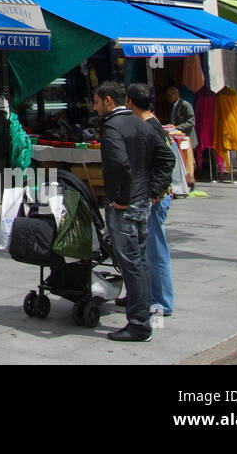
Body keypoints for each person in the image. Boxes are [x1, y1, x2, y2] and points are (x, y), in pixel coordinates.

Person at [93, 81, 173, 343]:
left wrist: (123, 198)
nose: (94, 107)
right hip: (142, 203)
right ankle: (144, 312)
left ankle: (139, 325)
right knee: (138, 260)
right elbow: (167, 158)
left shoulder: (113, 127)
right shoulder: (143, 124)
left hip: (126, 207)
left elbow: (120, 164)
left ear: (108, 101)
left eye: (96, 102)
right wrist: (152, 191)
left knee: (131, 263)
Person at [127, 84, 175, 319]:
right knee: (143, 251)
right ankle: (143, 296)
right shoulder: (151, 125)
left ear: (131, 102)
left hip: (155, 199)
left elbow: (167, 160)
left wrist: (156, 192)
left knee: (155, 252)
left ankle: (162, 302)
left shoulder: (150, 128)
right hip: (150, 197)